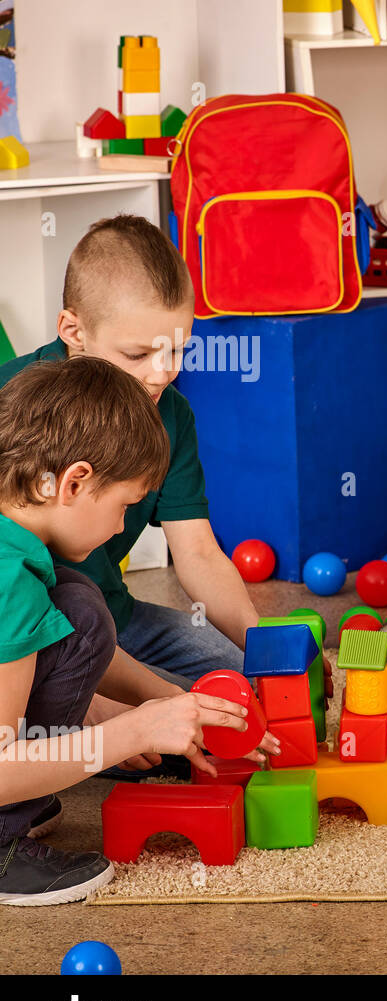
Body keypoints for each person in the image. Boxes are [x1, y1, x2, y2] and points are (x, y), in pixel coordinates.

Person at [0, 358, 273, 906]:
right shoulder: (8, 578)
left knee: (79, 605)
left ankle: (23, 806)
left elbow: (73, 637)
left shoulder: (20, 549)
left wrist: (169, 700)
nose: (123, 527)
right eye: (123, 506)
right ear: (74, 482)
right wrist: (129, 735)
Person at [0, 214, 260, 692]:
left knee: (243, 675)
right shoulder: (13, 399)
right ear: (73, 330)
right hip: (27, 632)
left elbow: (199, 551)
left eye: (177, 350)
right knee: (182, 713)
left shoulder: (171, 414)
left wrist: (264, 646)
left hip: (118, 617)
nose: (161, 374)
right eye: (138, 355)